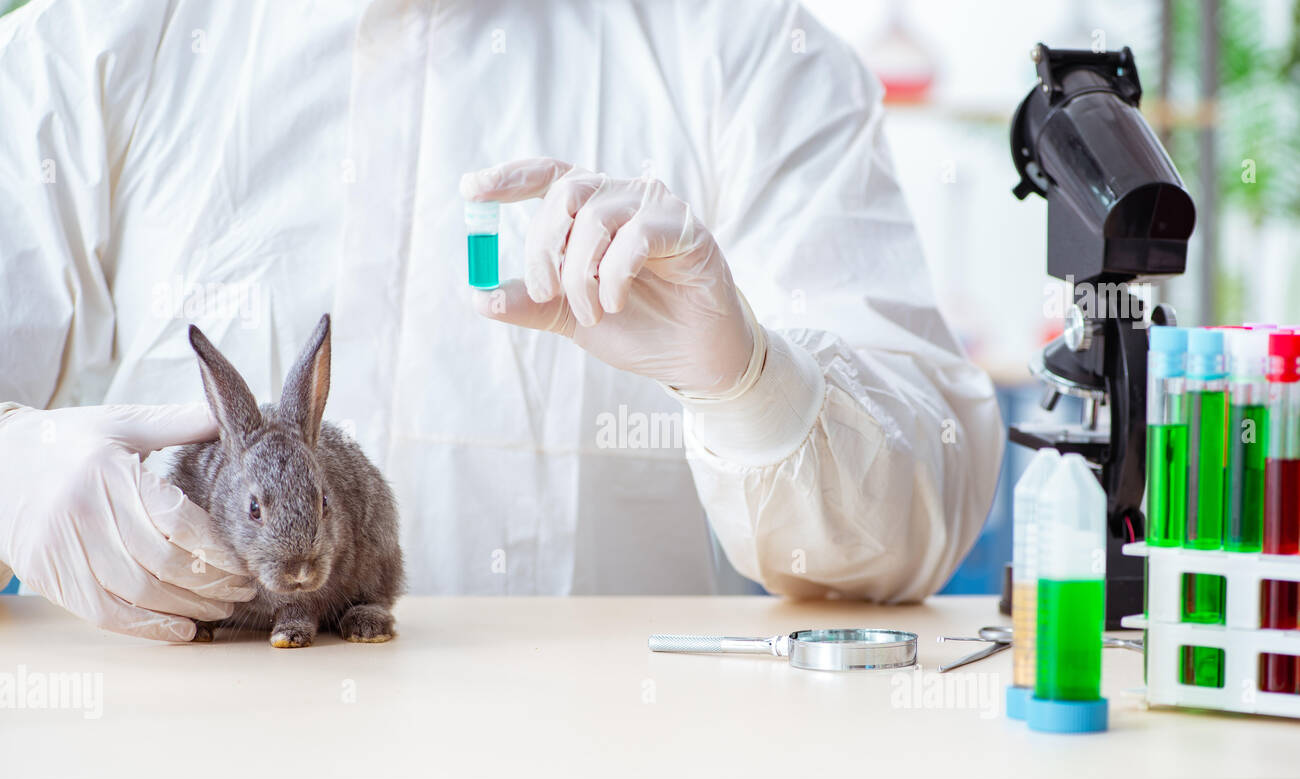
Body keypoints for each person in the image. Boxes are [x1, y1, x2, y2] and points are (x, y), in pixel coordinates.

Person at [0, 0, 1003, 642]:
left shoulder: (749, 51)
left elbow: (916, 530)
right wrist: (11, 467)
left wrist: (749, 383)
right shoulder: (94, 41)